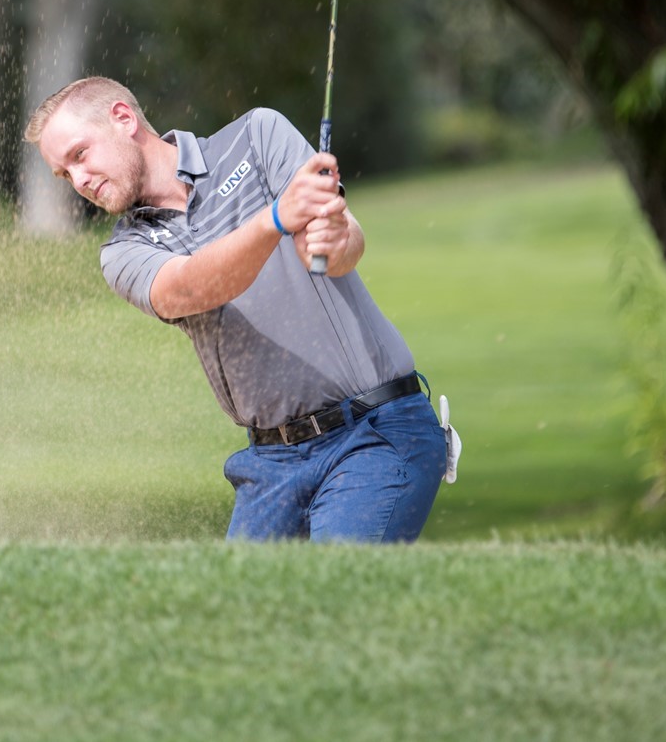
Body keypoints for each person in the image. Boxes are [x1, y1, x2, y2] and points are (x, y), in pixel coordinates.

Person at [25, 76, 447, 542]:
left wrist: (332, 236)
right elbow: (185, 290)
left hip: (375, 430)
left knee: (338, 594)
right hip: (272, 464)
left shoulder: (257, 136)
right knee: (237, 610)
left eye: (79, 155)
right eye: (64, 174)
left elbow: (341, 245)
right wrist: (272, 222)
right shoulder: (123, 251)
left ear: (123, 119)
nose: (79, 180)